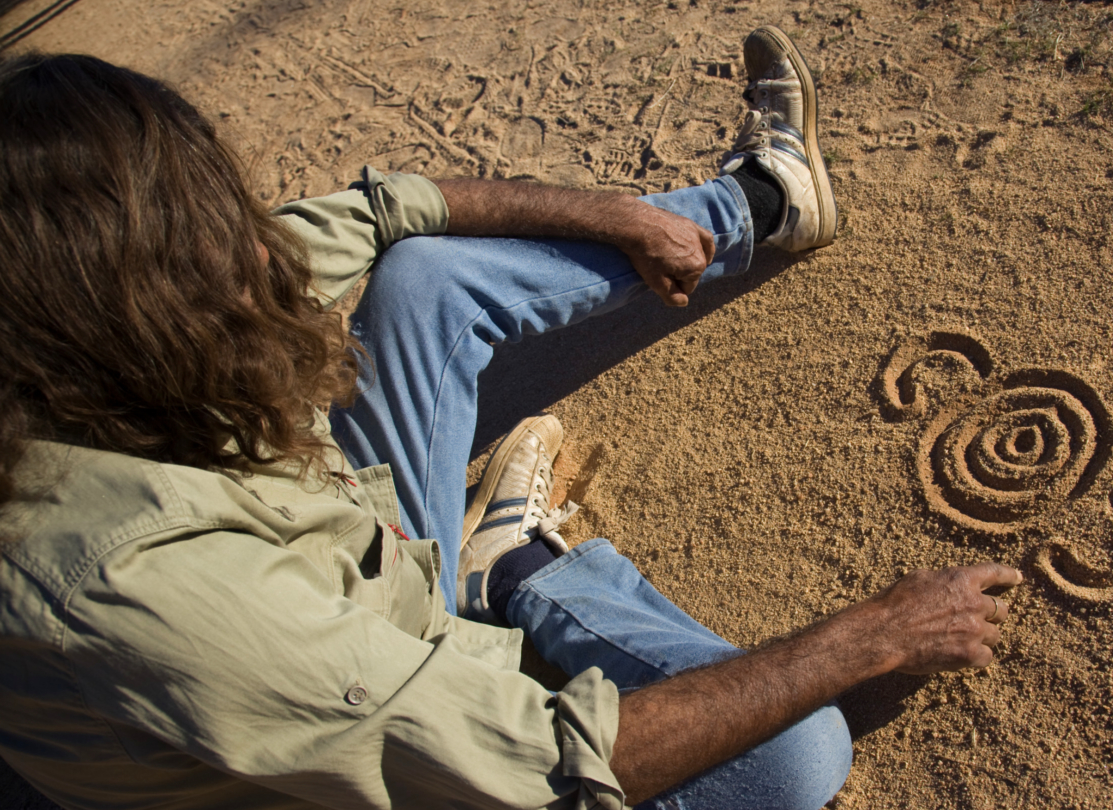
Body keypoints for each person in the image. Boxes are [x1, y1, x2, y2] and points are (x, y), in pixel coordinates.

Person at [0, 26, 1021, 810]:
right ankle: (520, 572)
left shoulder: (82, 353)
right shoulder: (135, 589)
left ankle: (766, 199)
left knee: (429, 281)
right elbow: (537, 760)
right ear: (120, 301)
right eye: (215, 235)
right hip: (352, 698)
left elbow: (385, 210)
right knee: (795, 756)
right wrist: (872, 636)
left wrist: (625, 216)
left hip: (359, 563)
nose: (265, 254)